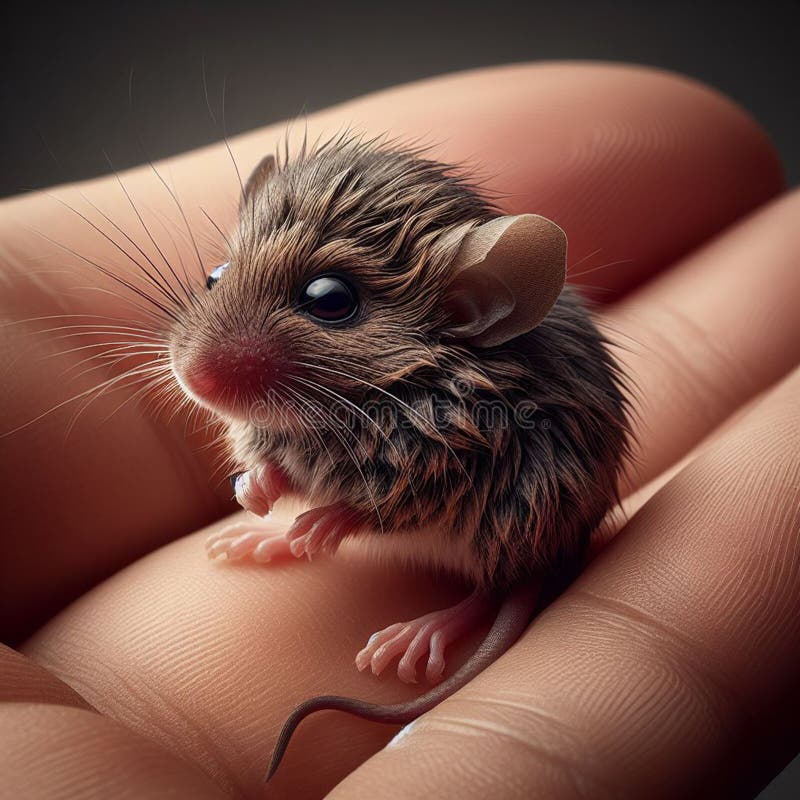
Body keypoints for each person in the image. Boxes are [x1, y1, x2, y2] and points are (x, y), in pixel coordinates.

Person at [1, 62, 798, 799]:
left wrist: (354, 512)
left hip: (503, 497)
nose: (203, 356)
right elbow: (278, 442)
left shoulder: (468, 402)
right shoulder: (305, 390)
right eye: (220, 279)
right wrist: (271, 475)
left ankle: (485, 598)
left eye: (328, 298)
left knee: (525, 487)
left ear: (470, 305)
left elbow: (438, 472)